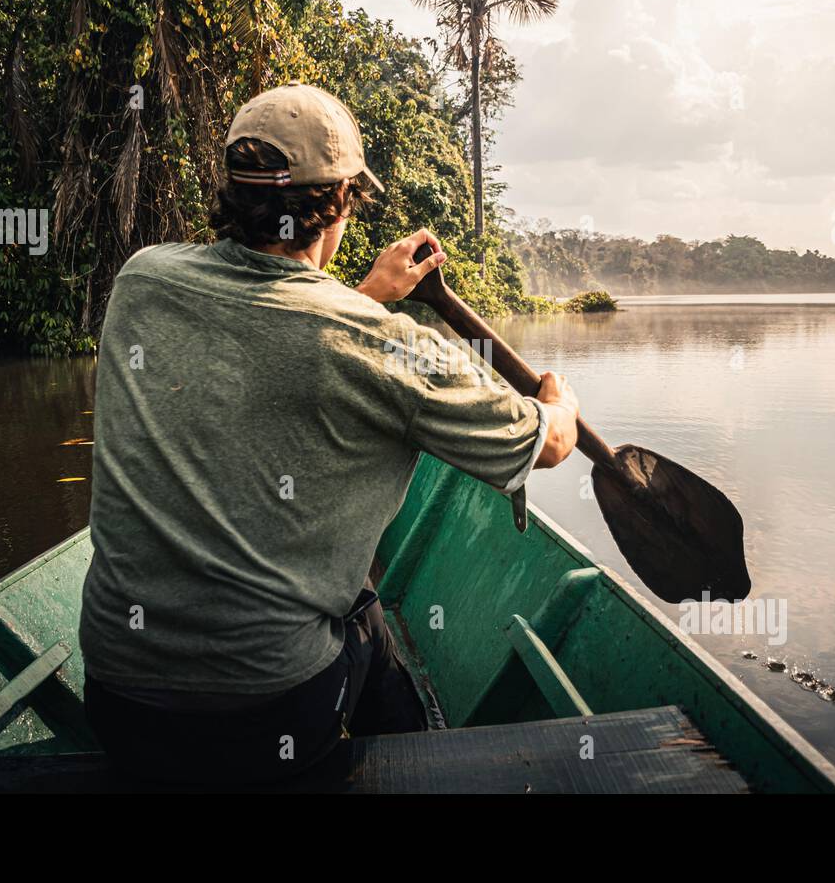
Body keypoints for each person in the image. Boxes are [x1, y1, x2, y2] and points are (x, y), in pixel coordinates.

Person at [78, 82, 580, 786]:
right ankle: (416, 765)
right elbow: (546, 444)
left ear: (233, 190)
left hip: (117, 698)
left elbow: (276, 336)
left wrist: (368, 294)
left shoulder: (142, 281)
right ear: (339, 202)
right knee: (366, 617)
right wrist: (557, 403)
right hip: (265, 718)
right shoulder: (382, 344)